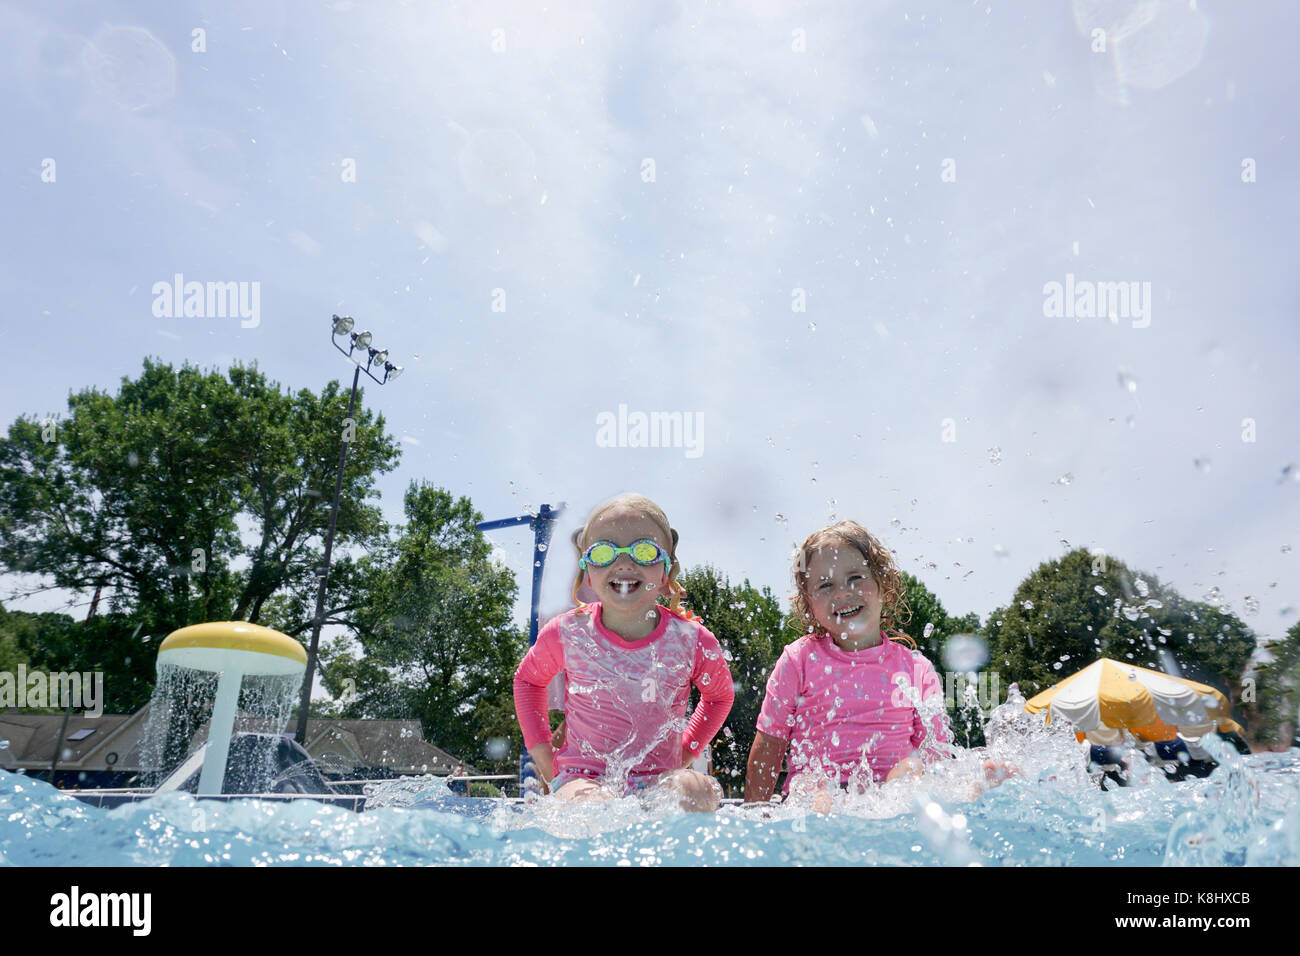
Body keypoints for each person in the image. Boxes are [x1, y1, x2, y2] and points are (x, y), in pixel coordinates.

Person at [513, 493, 734, 812]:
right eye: (604, 552)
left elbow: (719, 696)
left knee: (696, 790)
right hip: (583, 778)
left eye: (644, 551)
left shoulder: (690, 640)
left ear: (666, 566)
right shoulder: (569, 632)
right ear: (587, 570)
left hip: (661, 778)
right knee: (593, 804)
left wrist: (686, 751)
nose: (624, 563)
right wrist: (544, 757)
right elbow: (528, 682)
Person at [745, 520, 959, 804]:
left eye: (856, 578)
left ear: (885, 585)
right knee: (818, 796)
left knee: (913, 770)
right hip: (819, 794)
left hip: (889, 800)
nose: (842, 592)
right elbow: (770, 743)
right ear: (809, 605)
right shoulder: (799, 660)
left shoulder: (916, 669)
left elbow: (935, 752)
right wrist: (755, 812)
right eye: (824, 585)